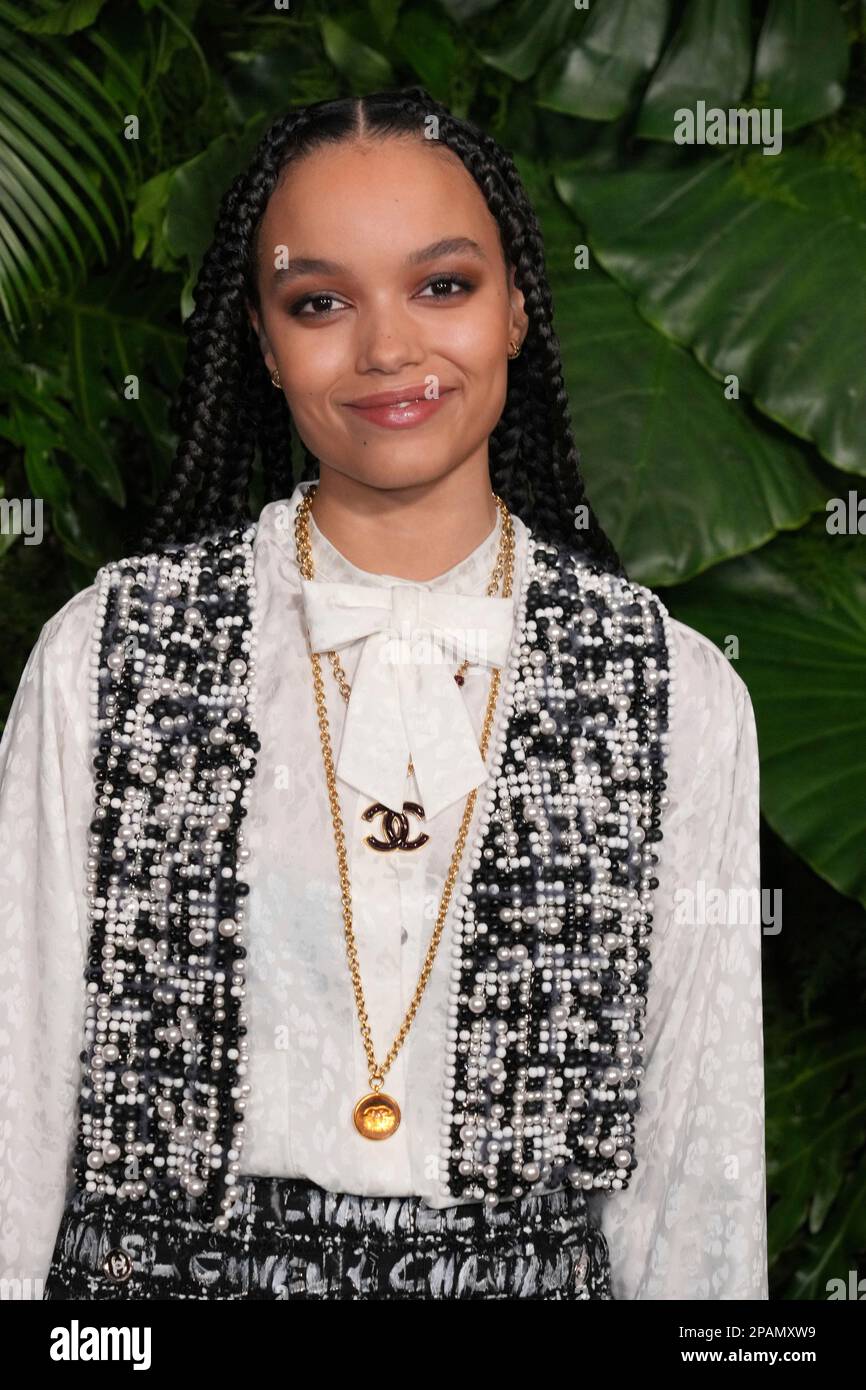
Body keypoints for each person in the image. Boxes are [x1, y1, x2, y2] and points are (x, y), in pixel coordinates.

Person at [0, 87, 767, 1301]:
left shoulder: (673, 691)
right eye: (319, 302)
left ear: (517, 304)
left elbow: (692, 1156)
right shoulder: (106, 657)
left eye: (442, 285)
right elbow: (12, 1098)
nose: (387, 350)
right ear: (261, 340)